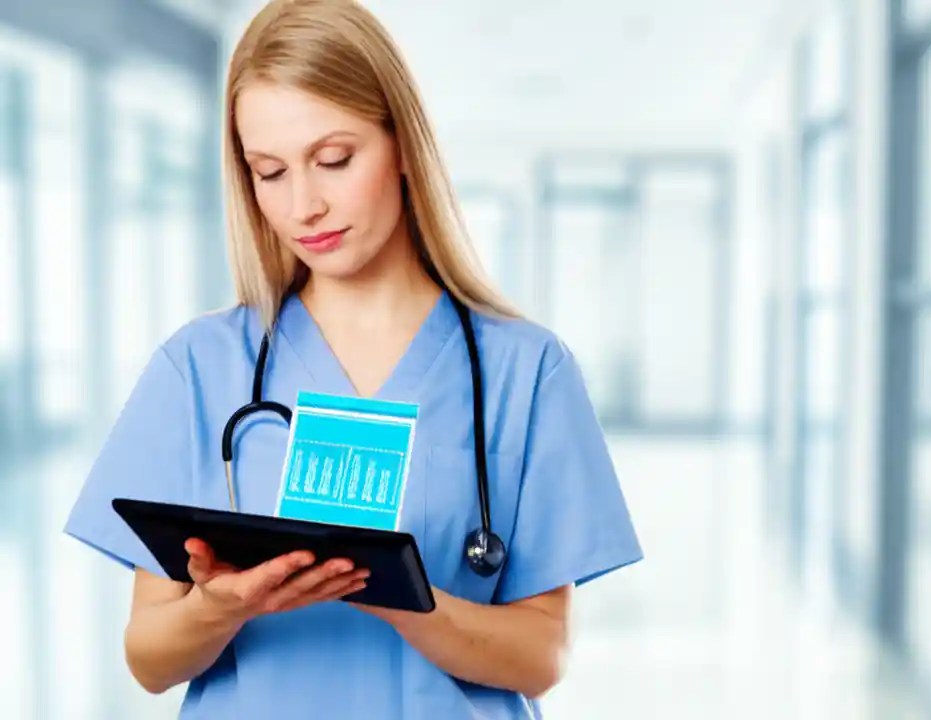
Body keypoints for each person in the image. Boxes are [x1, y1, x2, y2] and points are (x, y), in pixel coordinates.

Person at [61, 0, 643, 717]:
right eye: (269, 172)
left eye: (333, 159)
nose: (304, 204)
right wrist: (216, 609)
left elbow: (541, 655)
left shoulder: (527, 371)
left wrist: (396, 593)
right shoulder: (198, 368)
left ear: (401, 144)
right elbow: (147, 657)